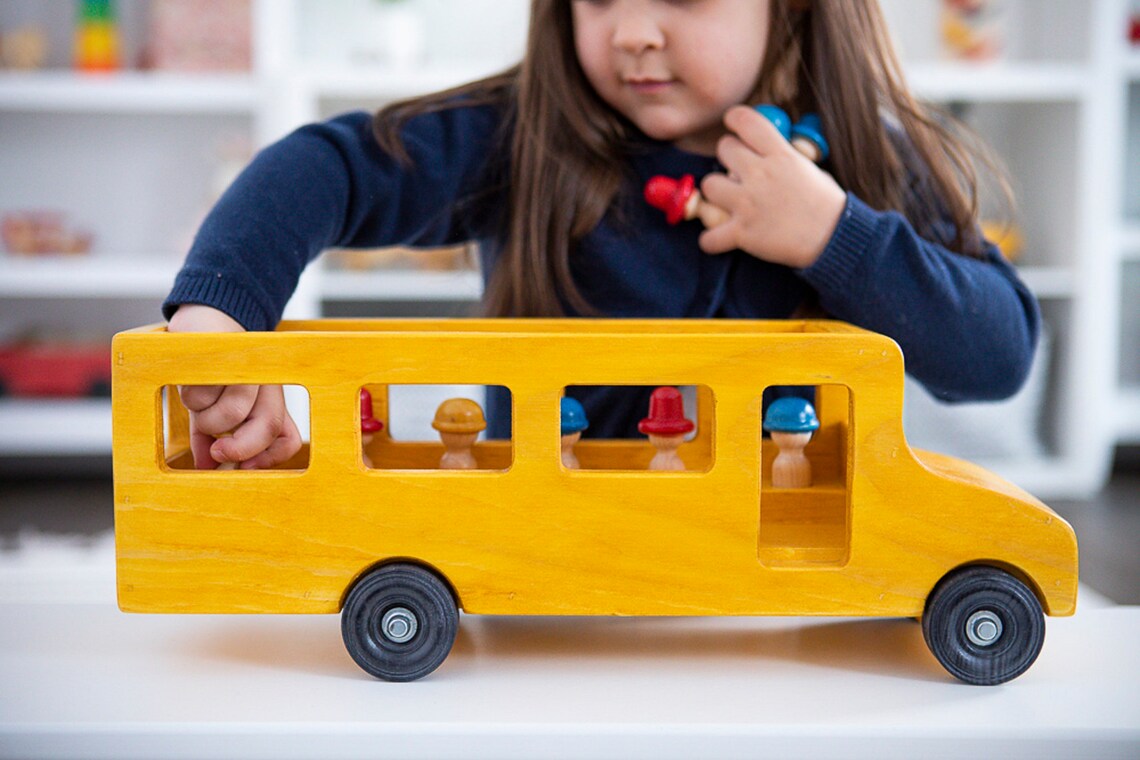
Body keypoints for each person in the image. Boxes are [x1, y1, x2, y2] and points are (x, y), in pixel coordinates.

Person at [166, 0, 1039, 470]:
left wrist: (832, 234)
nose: (630, 31)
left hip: (784, 586)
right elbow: (329, 168)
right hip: (550, 583)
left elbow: (995, 355)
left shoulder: (856, 160)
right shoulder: (521, 134)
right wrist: (221, 310)